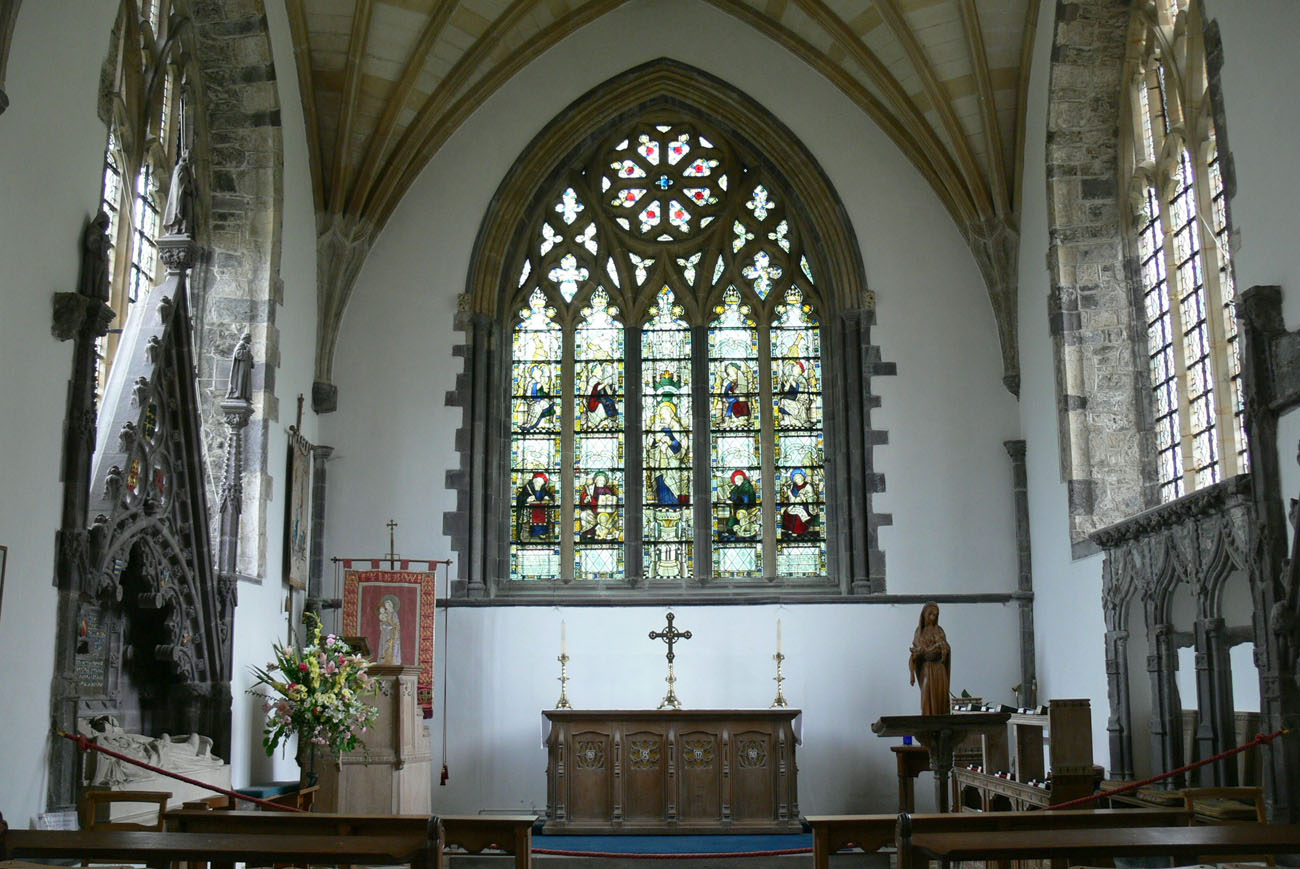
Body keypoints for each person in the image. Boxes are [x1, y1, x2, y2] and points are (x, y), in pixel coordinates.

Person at [908, 601, 951, 715]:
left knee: (940, 698)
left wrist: (943, 648)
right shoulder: (919, 632)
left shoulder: (939, 630)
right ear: (924, 615)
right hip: (926, 668)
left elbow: (945, 647)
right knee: (926, 698)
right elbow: (914, 654)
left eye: (935, 615)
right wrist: (912, 674)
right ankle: (927, 724)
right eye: (930, 614)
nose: (933, 617)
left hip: (939, 669)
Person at [515, 472, 555, 540]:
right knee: (528, 516)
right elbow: (520, 498)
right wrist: (527, 499)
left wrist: (547, 497)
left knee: (546, 515)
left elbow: (550, 496)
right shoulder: (527, 489)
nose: (539, 484)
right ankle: (528, 533)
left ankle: (542, 532)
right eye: (537, 482)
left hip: (542, 509)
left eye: (541, 483)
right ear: (534, 481)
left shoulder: (543, 490)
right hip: (531, 509)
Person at [780, 468, 818, 537]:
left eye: (799, 477)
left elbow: (812, 497)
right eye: (795, 478)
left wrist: (804, 499)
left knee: (797, 515)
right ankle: (789, 529)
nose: (797, 479)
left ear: (803, 477)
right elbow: (791, 498)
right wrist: (789, 493)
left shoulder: (808, 486)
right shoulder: (793, 486)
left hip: (806, 506)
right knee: (787, 512)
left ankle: (798, 531)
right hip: (794, 504)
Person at [378, 596, 401, 665]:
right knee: (384, 646)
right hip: (385, 632)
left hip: (392, 632)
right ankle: (384, 659)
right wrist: (382, 626)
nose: (386, 606)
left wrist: (390, 623)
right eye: (385, 605)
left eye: (387, 604)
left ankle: (392, 661)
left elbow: (396, 625)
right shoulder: (384, 613)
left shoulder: (394, 614)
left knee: (390, 646)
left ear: (391, 605)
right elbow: (382, 622)